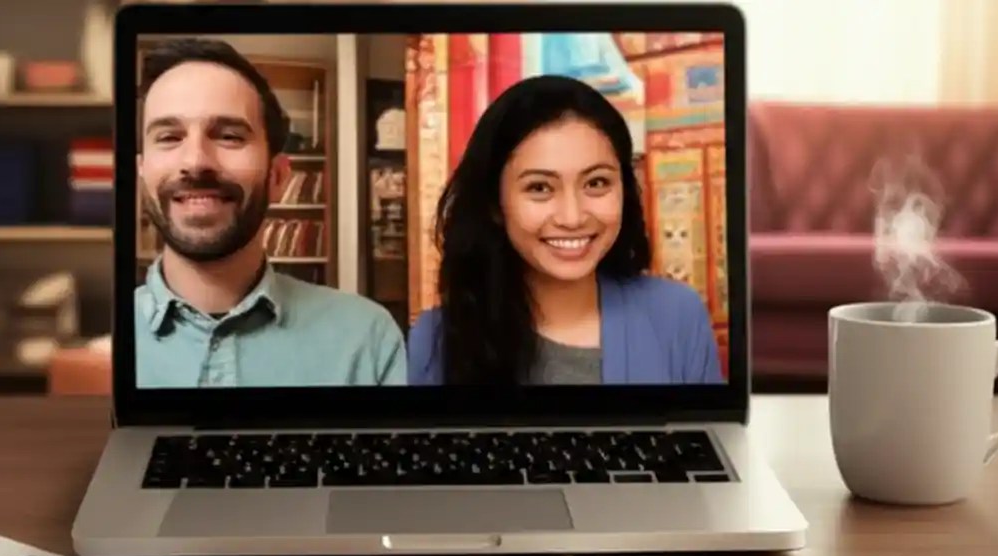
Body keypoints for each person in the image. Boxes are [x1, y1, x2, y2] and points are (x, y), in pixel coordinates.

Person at [406, 74, 725, 386]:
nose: (572, 218)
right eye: (540, 187)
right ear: (494, 204)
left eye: (596, 183)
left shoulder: (677, 317)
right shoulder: (434, 342)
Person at [135, 38, 406, 388]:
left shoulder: (368, 339)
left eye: (229, 136)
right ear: (142, 173)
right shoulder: (99, 353)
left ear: (277, 177)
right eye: (169, 137)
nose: (196, 161)